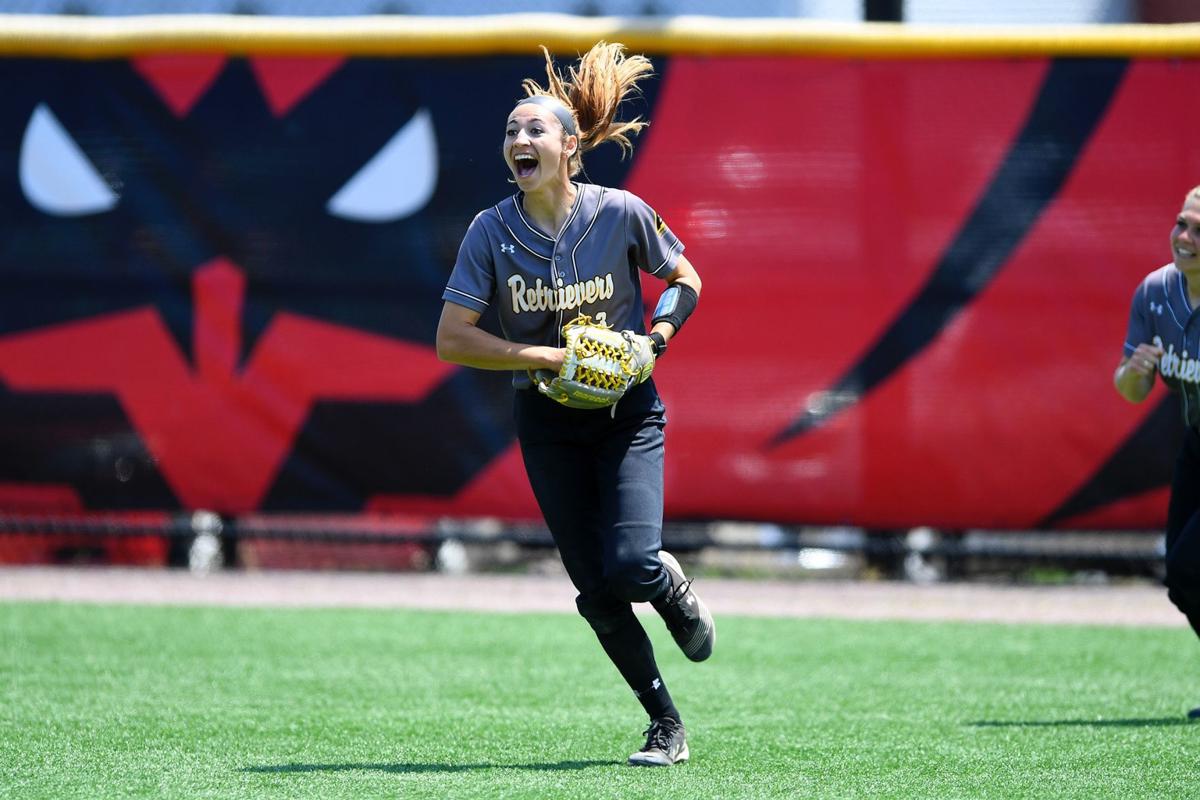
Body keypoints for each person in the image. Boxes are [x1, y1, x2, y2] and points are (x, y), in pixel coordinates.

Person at [435, 42, 714, 765]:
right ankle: (666, 725)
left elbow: (687, 280)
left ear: (570, 148)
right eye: (510, 131)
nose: (518, 140)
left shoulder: (620, 213)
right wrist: (546, 356)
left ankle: (671, 586)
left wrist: (653, 340)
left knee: (632, 564)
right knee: (595, 591)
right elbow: (453, 340)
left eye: (534, 130)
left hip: (627, 416)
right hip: (549, 423)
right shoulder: (490, 232)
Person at [1115, 184, 1200, 717]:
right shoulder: (1155, 292)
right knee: (1181, 578)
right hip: (1197, 444)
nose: (1185, 237)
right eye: (1181, 223)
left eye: (1199, 230)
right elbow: (1131, 389)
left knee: (1195, 561)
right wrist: (1134, 370)